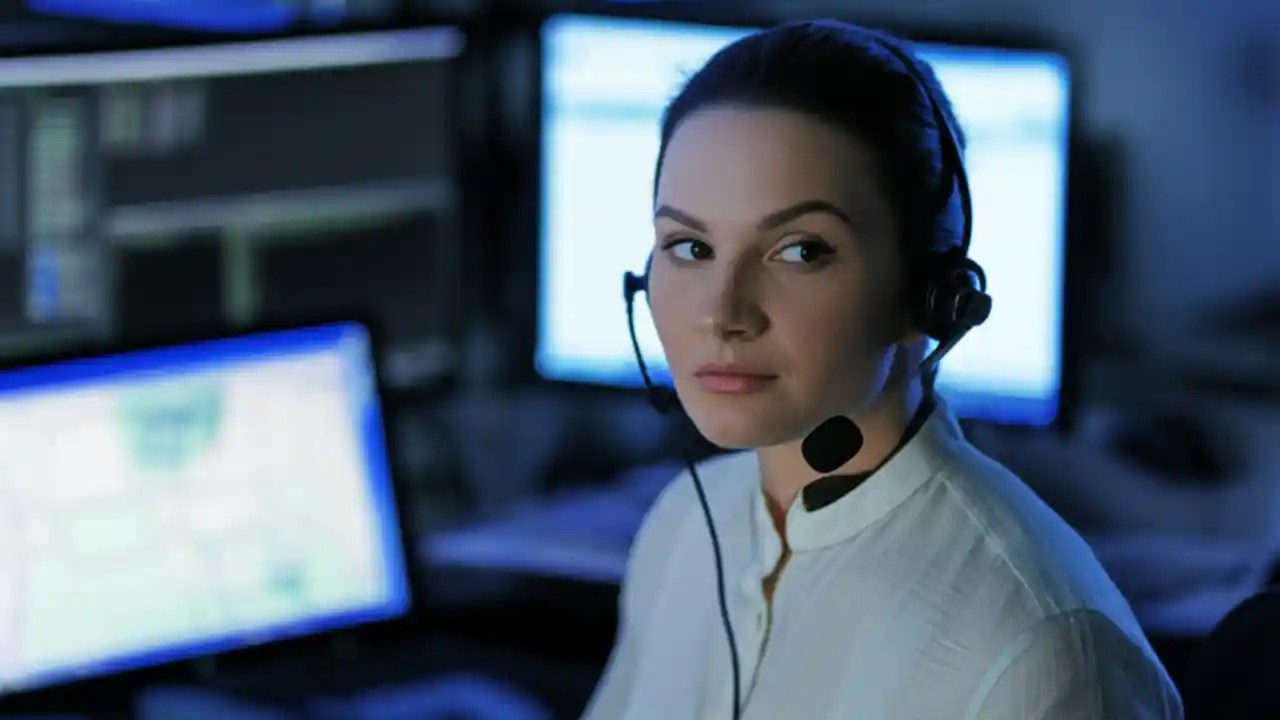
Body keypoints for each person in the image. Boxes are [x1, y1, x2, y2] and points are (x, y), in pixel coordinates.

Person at [581, 19, 1184, 720]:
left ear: (928, 295)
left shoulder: (1043, 653)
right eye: (688, 246)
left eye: (801, 250)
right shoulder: (684, 526)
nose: (722, 313)